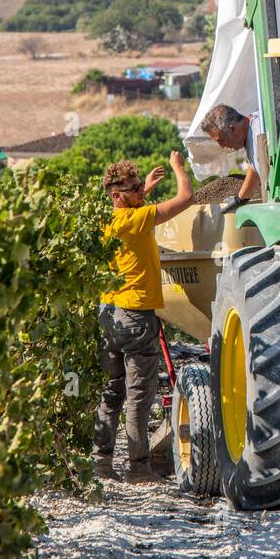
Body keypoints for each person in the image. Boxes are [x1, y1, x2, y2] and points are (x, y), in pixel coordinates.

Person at [93, 152, 194, 481]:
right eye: (133, 189)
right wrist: (179, 168)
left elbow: (132, 206)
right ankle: (138, 468)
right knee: (139, 396)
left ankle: (101, 463)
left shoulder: (108, 221)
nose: (140, 192)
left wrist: (144, 189)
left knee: (112, 390)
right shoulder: (137, 220)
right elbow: (186, 199)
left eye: (140, 187)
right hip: (136, 316)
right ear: (117, 196)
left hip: (109, 313)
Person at [199, 103, 280, 206]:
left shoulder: (264, 133)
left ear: (233, 129)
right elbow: (255, 169)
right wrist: (239, 199)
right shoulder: (251, 130)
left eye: (221, 140)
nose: (222, 146)